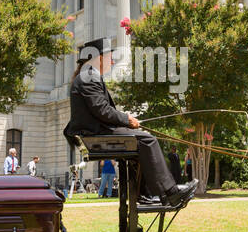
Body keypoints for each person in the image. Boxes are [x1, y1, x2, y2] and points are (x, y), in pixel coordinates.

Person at [66, 37, 195, 208]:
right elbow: (102, 111)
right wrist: (127, 120)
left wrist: (126, 120)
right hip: (94, 134)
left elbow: (101, 110)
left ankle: (144, 194)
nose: (112, 60)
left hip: (95, 131)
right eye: (109, 56)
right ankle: (170, 192)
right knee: (147, 140)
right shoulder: (88, 76)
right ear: (98, 58)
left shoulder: (88, 75)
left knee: (141, 141)